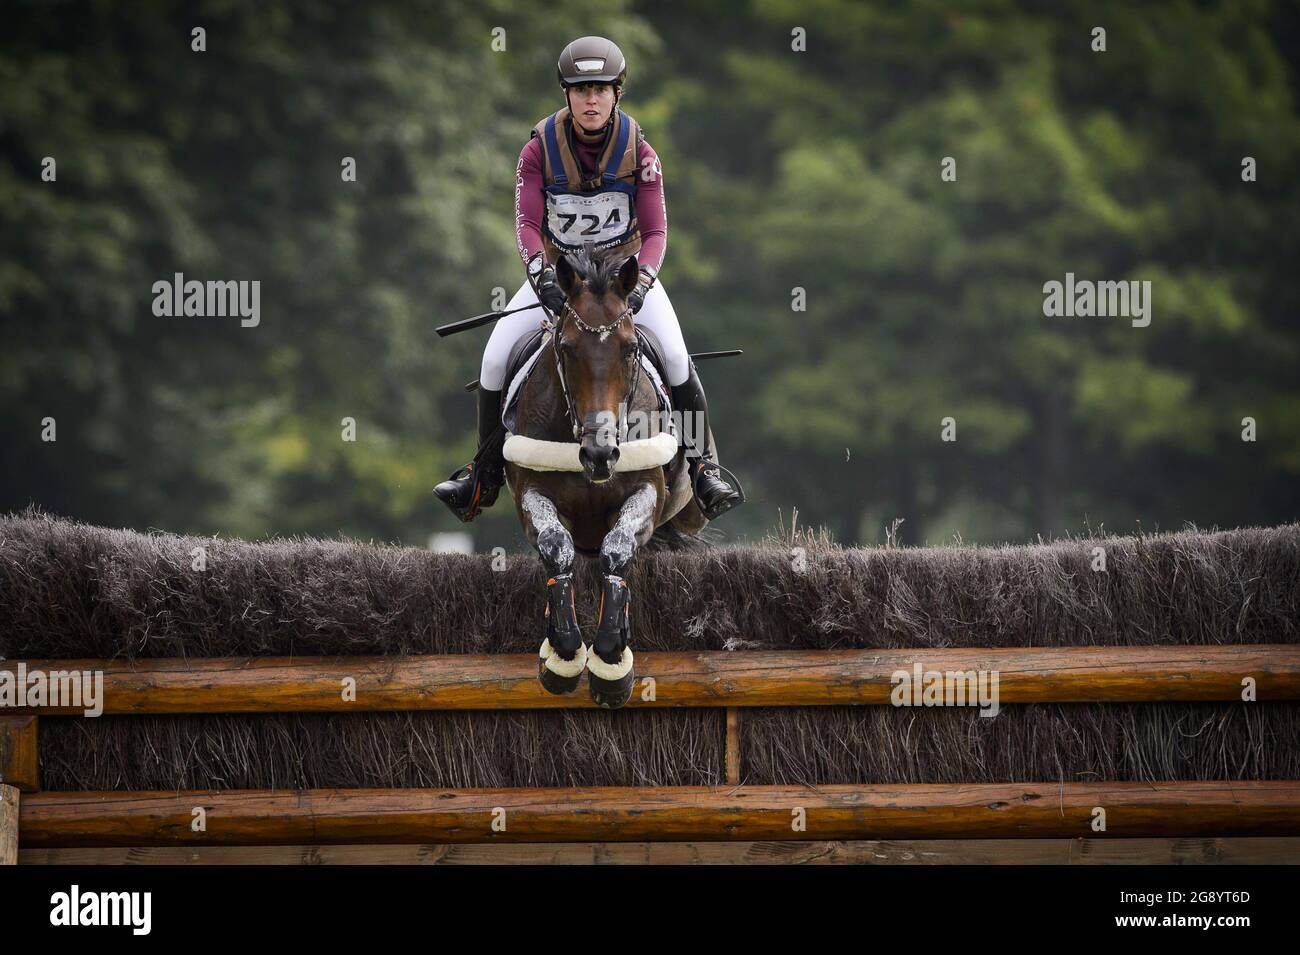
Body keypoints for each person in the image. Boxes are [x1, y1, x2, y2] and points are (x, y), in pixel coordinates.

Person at [434, 36, 742, 522]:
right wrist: (541, 276)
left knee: (678, 357)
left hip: (622, 279)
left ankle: (703, 467)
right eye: (580, 90)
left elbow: (657, 230)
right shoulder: (537, 152)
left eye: (600, 88)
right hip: (562, 279)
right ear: (566, 95)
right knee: (494, 357)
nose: (591, 99)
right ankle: (484, 473)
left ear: (617, 92)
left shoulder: (641, 153)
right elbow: (527, 226)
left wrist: (641, 284)